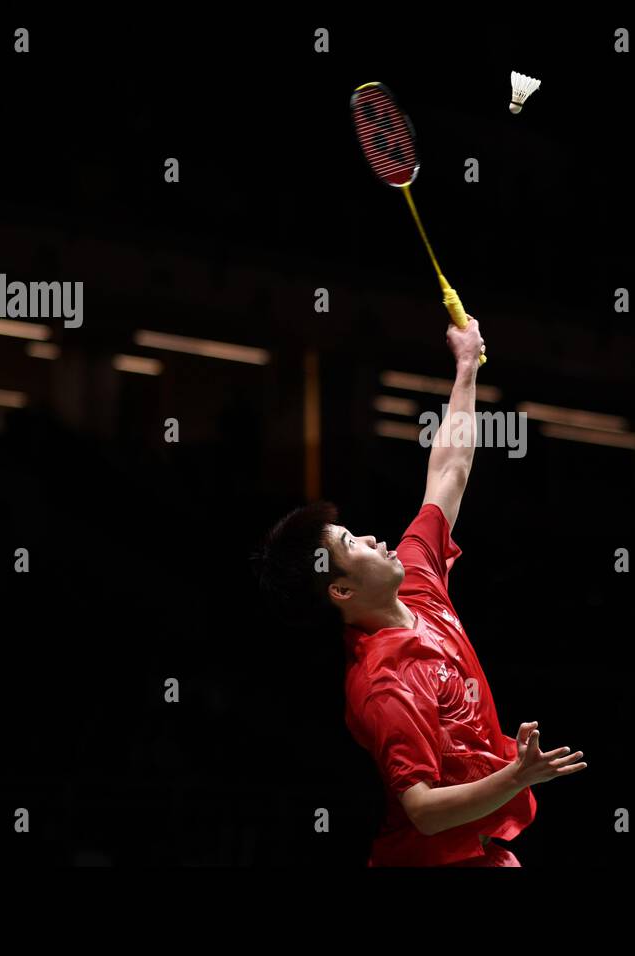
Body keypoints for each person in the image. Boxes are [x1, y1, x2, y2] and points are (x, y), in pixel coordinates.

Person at [252, 317, 586, 865]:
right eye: (350, 542)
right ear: (340, 590)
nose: (371, 537)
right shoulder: (382, 684)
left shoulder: (419, 581)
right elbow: (424, 810)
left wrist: (464, 367)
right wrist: (516, 776)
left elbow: (450, 469)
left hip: (486, 853)